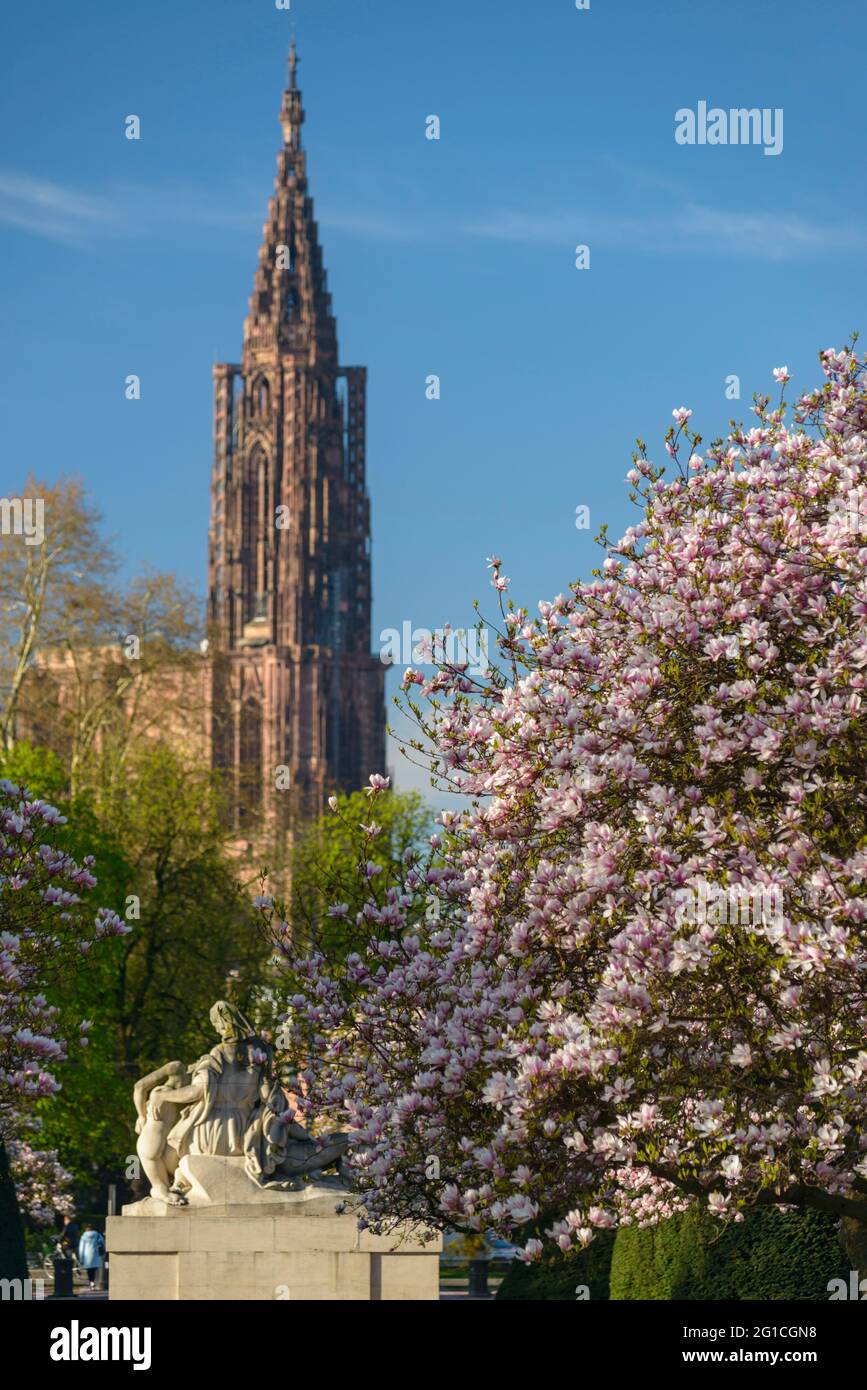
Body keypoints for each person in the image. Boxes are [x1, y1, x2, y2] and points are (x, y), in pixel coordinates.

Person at [77, 1224, 105, 1290]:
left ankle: (91, 1282)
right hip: (95, 1254)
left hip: (87, 1256)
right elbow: (102, 1243)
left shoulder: (83, 1236)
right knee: (94, 1270)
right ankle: (93, 1282)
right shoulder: (97, 1234)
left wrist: (81, 1258)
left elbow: (81, 1248)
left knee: (89, 1270)